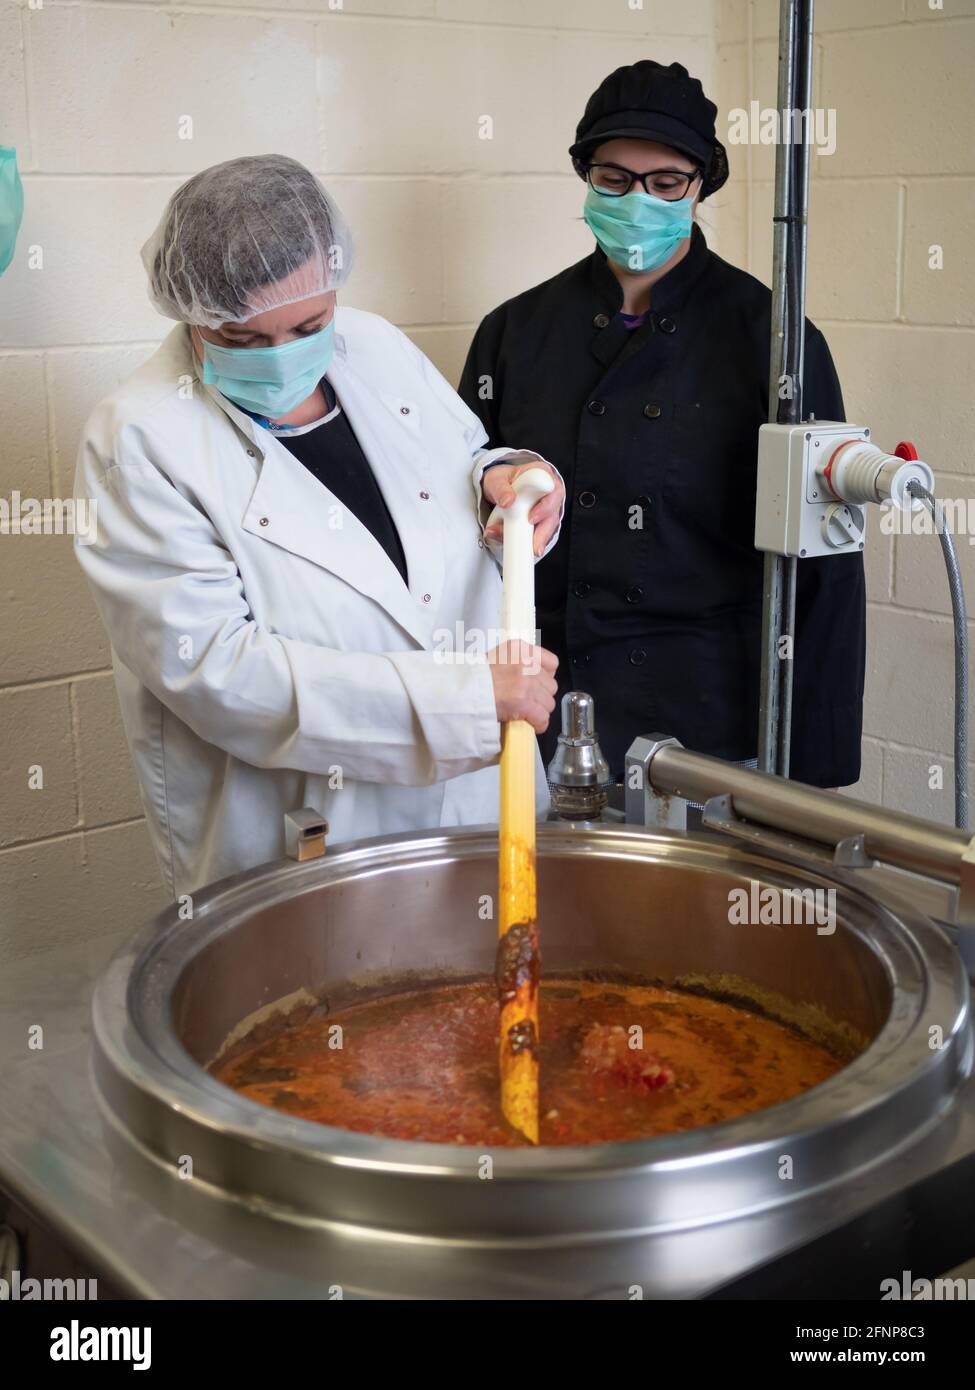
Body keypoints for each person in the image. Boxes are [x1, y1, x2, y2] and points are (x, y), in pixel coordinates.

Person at [74, 154, 564, 898]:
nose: (281, 359)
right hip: (315, 838)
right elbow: (215, 669)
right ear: (190, 311)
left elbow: (463, 461)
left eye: (307, 326)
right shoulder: (141, 437)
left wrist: (512, 478)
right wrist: (462, 701)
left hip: (481, 803)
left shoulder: (373, 346)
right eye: (242, 339)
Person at [460, 61, 865, 788]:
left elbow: (825, 566)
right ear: (584, 177)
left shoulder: (774, 341)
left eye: (664, 182)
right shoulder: (514, 333)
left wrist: (814, 767)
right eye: (613, 179)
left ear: (701, 184)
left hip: (709, 725)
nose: (636, 200)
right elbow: (455, 528)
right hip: (545, 711)